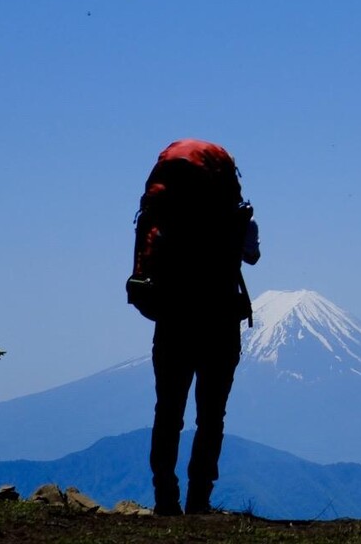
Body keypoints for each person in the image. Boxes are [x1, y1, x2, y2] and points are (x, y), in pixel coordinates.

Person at [130, 139, 260, 516]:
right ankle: (199, 500)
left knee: (168, 410)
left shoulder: (163, 214)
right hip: (219, 322)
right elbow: (251, 256)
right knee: (211, 415)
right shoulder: (237, 217)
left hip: (173, 321)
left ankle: (164, 500)